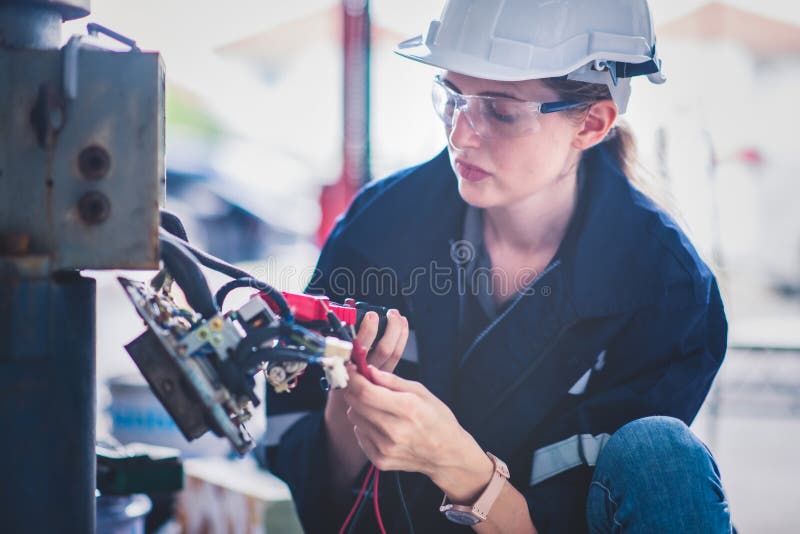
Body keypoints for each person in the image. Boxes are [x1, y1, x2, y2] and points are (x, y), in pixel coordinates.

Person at [264, 1, 732, 532]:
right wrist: (348, 398)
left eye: (501, 111)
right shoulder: (381, 227)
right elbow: (310, 492)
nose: (460, 135)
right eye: (452, 97)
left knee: (663, 455)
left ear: (591, 124)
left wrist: (458, 466)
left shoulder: (665, 288)